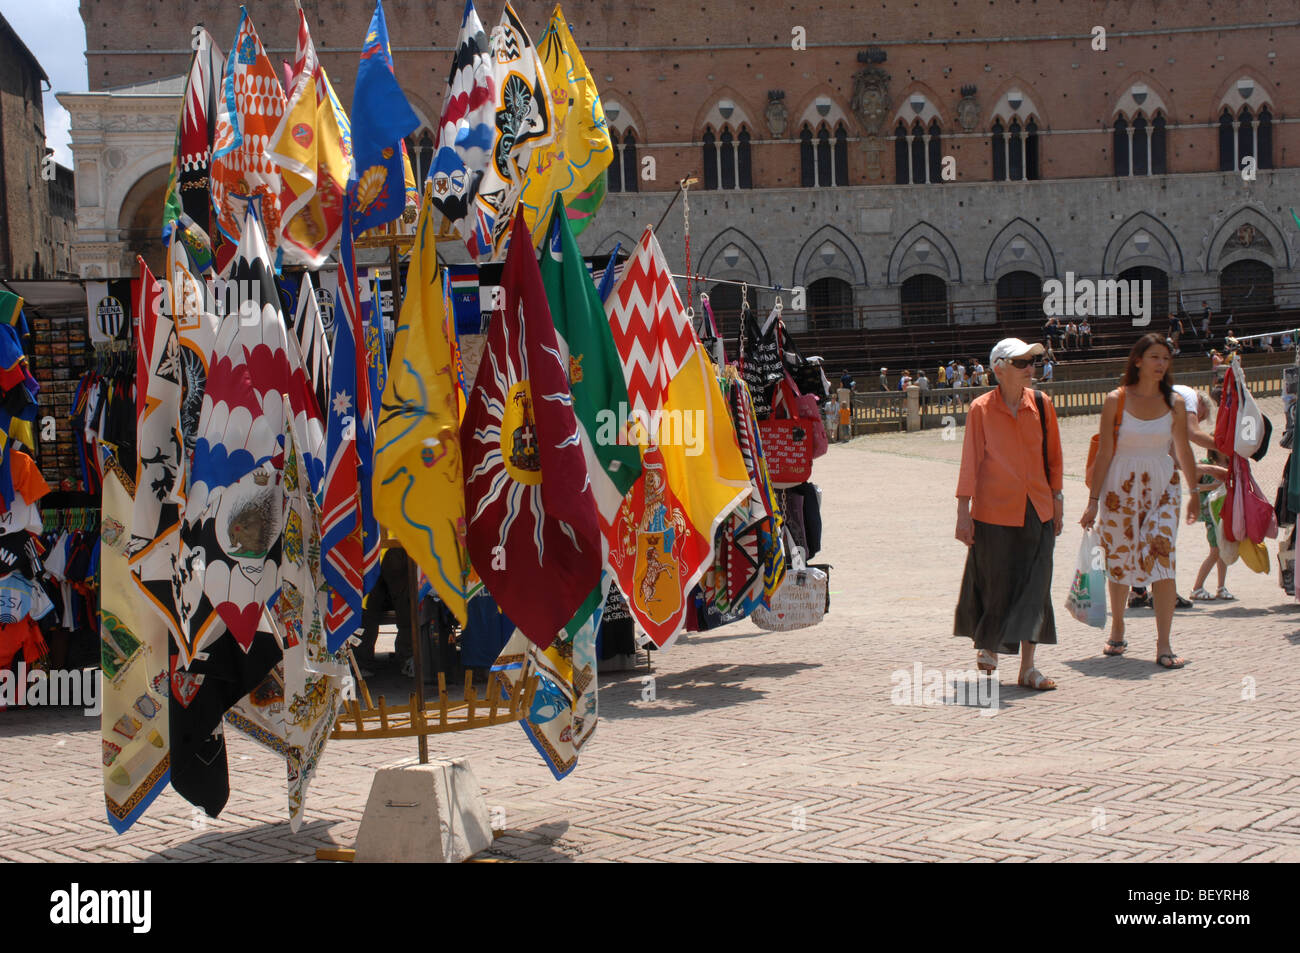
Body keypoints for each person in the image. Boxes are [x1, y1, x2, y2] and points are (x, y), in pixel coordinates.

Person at [1081, 334, 1203, 669]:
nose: (1162, 364)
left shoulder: (1175, 402)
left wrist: (1193, 493)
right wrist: (1093, 501)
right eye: (1154, 357)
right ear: (1137, 360)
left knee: (1163, 558)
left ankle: (1164, 644)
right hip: (1119, 488)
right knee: (1120, 559)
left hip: (1163, 487)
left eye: (1166, 358)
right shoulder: (1116, 400)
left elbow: (1183, 450)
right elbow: (1105, 452)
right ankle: (1118, 626)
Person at [955, 337, 1063, 691]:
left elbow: (1054, 458)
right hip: (993, 511)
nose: (1030, 369)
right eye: (1021, 363)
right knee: (995, 582)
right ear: (999, 369)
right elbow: (970, 460)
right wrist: (963, 510)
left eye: (1033, 362)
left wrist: (1058, 500)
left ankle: (1028, 669)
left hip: (1038, 507)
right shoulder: (981, 409)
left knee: (1036, 586)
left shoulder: (1043, 405)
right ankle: (989, 644)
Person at [1189, 447, 1234, 601]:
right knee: (1215, 551)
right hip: (1210, 514)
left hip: (1227, 513)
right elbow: (1193, 487)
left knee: (1223, 549)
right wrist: (1212, 487)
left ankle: (1221, 587)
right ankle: (1197, 588)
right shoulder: (1205, 464)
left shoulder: (1231, 463)